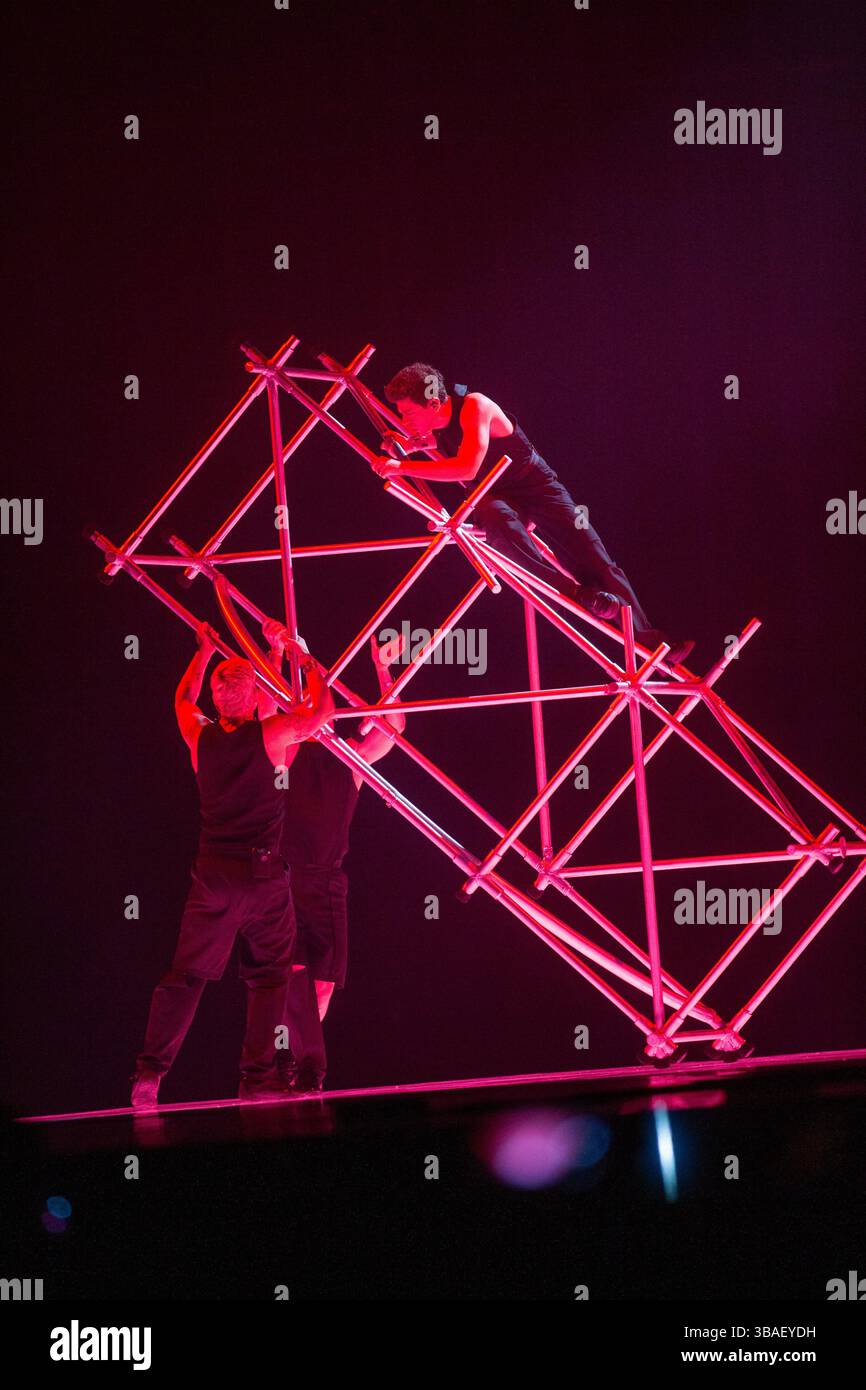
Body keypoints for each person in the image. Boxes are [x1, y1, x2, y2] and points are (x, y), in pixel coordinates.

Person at [130, 621, 334, 1109]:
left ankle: (151, 1072)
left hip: (214, 876)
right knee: (269, 977)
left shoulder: (199, 735)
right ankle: (256, 1077)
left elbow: (182, 698)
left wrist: (202, 653)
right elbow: (322, 712)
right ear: (254, 698)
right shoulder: (272, 735)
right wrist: (303, 658)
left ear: (218, 700)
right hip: (262, 878)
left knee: (187, 975)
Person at [372, 362, 694, 667]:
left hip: (537, 487)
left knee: (594, 558)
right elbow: (428, 439)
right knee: (497, 526)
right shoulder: (439, 427)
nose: (404, 420)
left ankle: (652, 642)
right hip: (502, 499)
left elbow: (466, 465)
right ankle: (580, 596)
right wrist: (408, 445)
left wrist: (402, 467)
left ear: (433, 404)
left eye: (409, 413)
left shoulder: (475, 407)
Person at [258, 622, 406, 1093]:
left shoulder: (351, 760)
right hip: (283, 880)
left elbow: (392, 730)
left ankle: (298, 1057)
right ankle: (292, 1060)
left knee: (320, 985)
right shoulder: (286, 746)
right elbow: (265, 711)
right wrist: (276, 653)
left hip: (326, 882)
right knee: (290, 974)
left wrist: (383, 669)